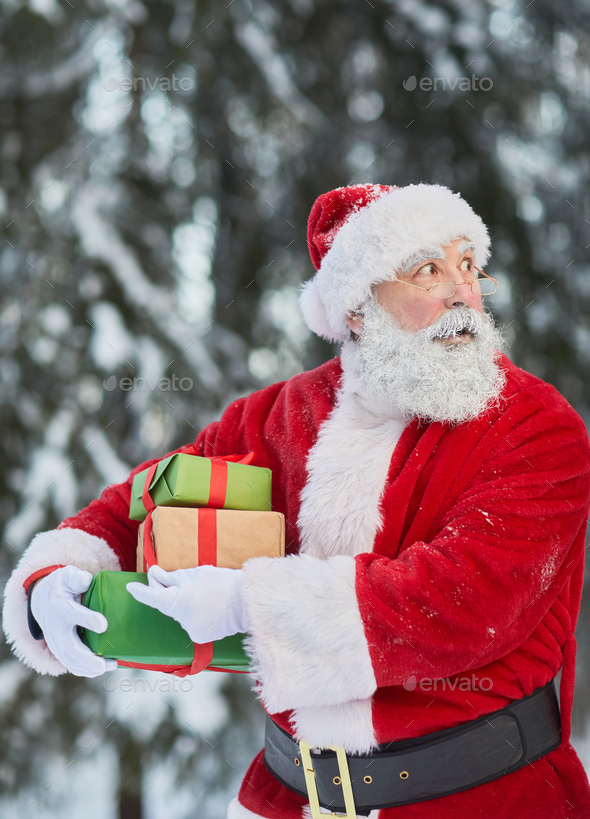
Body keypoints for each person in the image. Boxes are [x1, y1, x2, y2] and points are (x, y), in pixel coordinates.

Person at [3, 182, 590, 819]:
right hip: (286, 797)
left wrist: (247, 603)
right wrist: (52, 581)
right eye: (428, 270)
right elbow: (141, 507)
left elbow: (466, 601)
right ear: (357, 308)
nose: (462, 293)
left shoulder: (536, 425)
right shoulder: (280, 415)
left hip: (484, 801)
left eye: (468, 265)